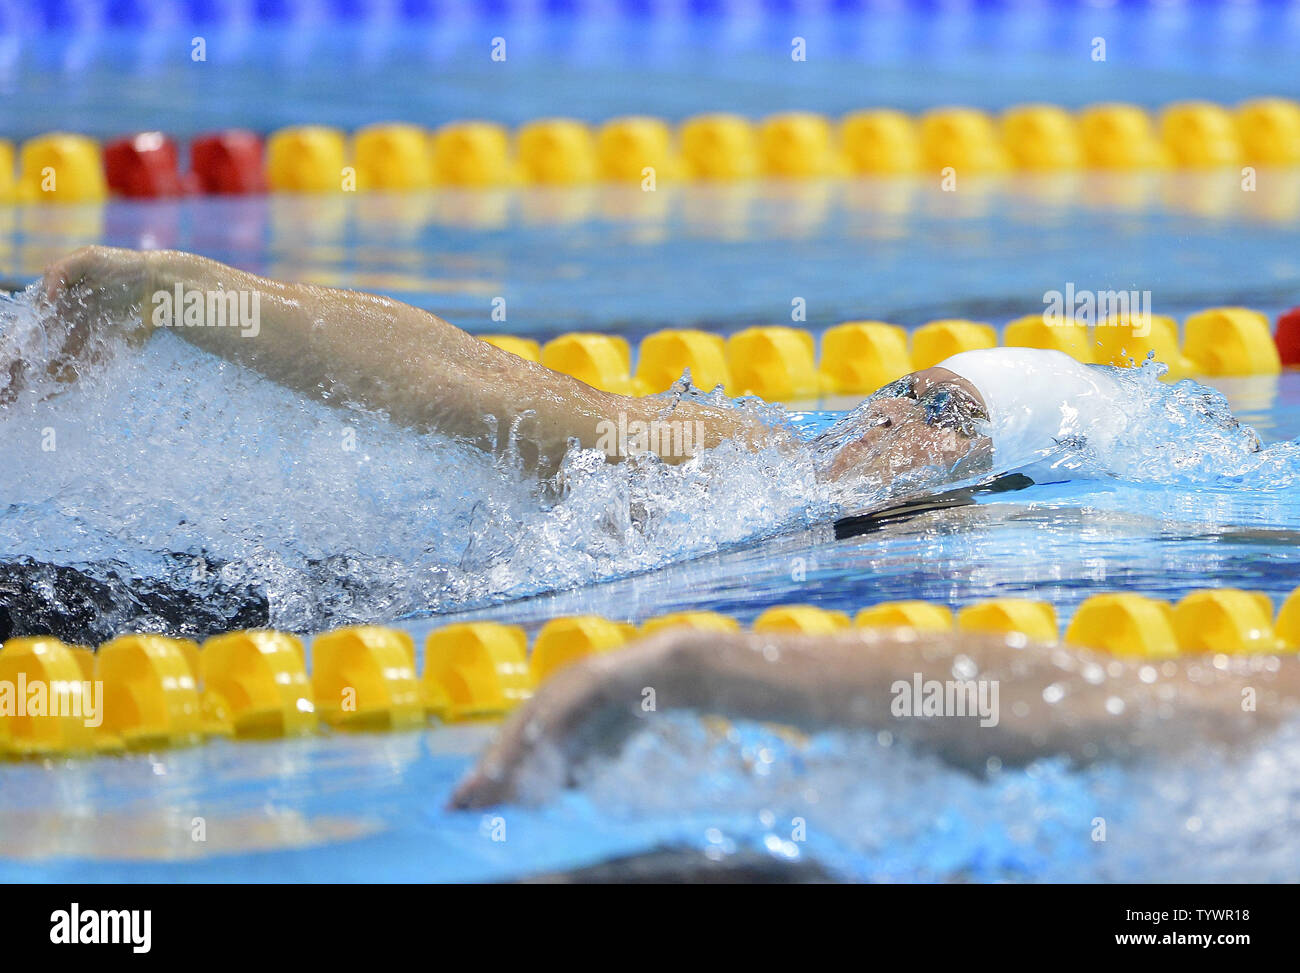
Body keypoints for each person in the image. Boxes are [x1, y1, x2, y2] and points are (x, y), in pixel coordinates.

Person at [24, 245, 1124, 492]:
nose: (899, 424)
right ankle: (155, 289)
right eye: (915, 396)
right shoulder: (741, 466)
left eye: (941, 419)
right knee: (520, 412)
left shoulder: (776, 492)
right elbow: (461, 387)